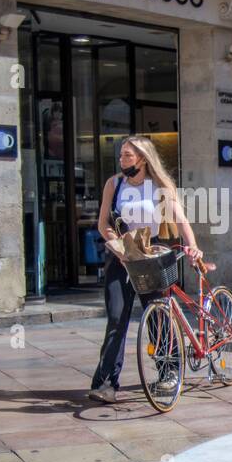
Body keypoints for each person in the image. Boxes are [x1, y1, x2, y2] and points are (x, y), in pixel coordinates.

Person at [88, 137, 203, 404]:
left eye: (127, 156)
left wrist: (193, 245)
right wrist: (115, 244)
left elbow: (181, 221)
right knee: (117, 318)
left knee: (158, 318)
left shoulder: (159, 187)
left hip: (150, 257)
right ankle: (105, 383)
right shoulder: (114, 184)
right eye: (121, 156)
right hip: (120, 257)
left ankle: (169, 373)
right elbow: (103, 222)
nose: (122, 160)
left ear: (142, 158)